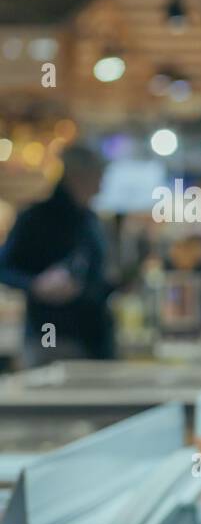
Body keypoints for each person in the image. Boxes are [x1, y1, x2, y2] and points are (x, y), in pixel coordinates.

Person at [0, 143, 115, 366]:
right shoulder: (36, 219)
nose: (102, 184)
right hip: (50, 331)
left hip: (92, 337)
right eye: (98, 175)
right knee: (50, 389)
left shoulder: (90, 220)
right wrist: (36, 284)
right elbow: (4, 267)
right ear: (78, 176)